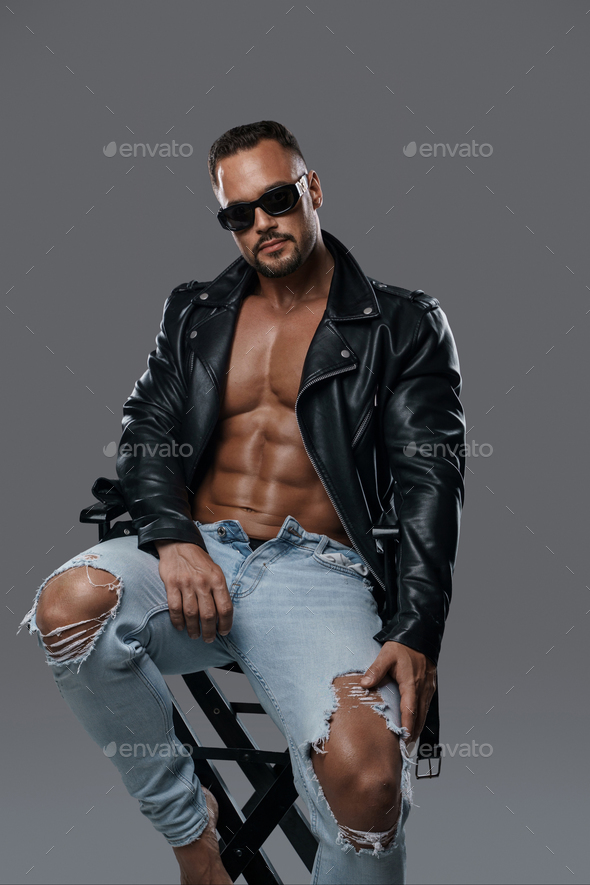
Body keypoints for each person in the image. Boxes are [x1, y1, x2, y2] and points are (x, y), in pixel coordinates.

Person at [18, 120, 465, 885]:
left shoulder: (402, 323)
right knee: (67, 608)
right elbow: (146, 430)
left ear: (313, 190)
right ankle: (195, 840)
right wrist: (172, 535)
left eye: (278, 199)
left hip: (318, 572)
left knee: (370, 783)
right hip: (199, 558)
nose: (263, 224)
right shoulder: (195, 311)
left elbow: (431, 475)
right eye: (239, 214)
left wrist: (417, 626)